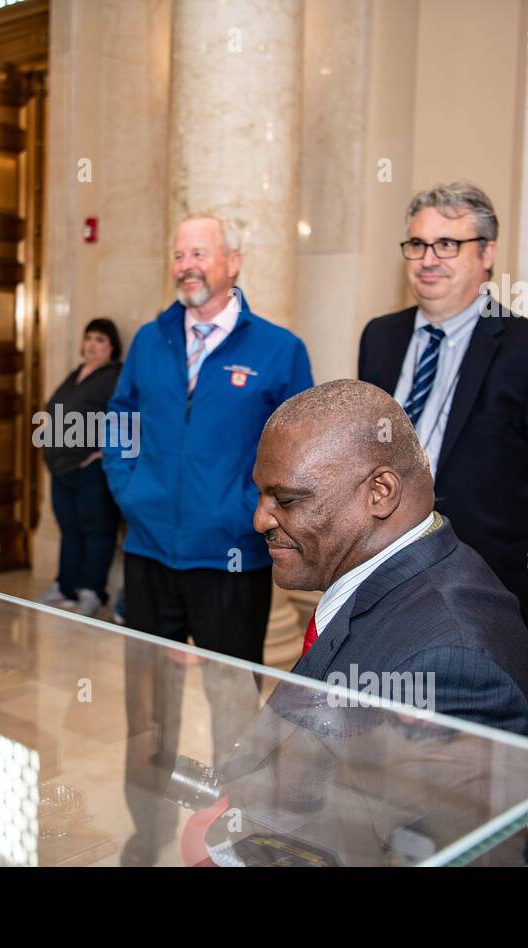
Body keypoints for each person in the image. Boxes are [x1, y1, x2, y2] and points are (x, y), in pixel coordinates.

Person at [105, 214, 313, 865]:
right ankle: (148, 831)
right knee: (146, 713)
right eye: (178, 253)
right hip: (147, 554)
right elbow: (119, 422)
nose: (186, 263)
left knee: (233, 714)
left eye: (200, 252)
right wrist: (129, 489)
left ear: (233, 262)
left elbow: (299, 450)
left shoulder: (278, 349)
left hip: (231, 561)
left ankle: (233, 839)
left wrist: (258, 508)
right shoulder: (149, 339)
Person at [251, 380, 528, 746]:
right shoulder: (407, 572)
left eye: (286, 500)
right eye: (260, 493)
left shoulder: (449, 664)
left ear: (380, 492)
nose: (261, 520)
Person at [358, 183, 528, 642]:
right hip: (380, 583)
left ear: (487, 253)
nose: (429, 259)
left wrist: (505, 534)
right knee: (383, 715)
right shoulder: (379, 338)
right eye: (417, 244)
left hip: (487, 590)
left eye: (448, 244)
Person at [36, 318, 124, 617]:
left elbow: (128, 416)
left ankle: (92, 592)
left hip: (90, 470)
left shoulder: (115, 376)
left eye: (100, 339)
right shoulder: (77, 373)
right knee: (69, 529)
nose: (92, 344)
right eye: (89, 338)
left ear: (112, 348)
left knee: (96, 530)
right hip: (62, 468)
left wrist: (103, 452)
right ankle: (65, 587)